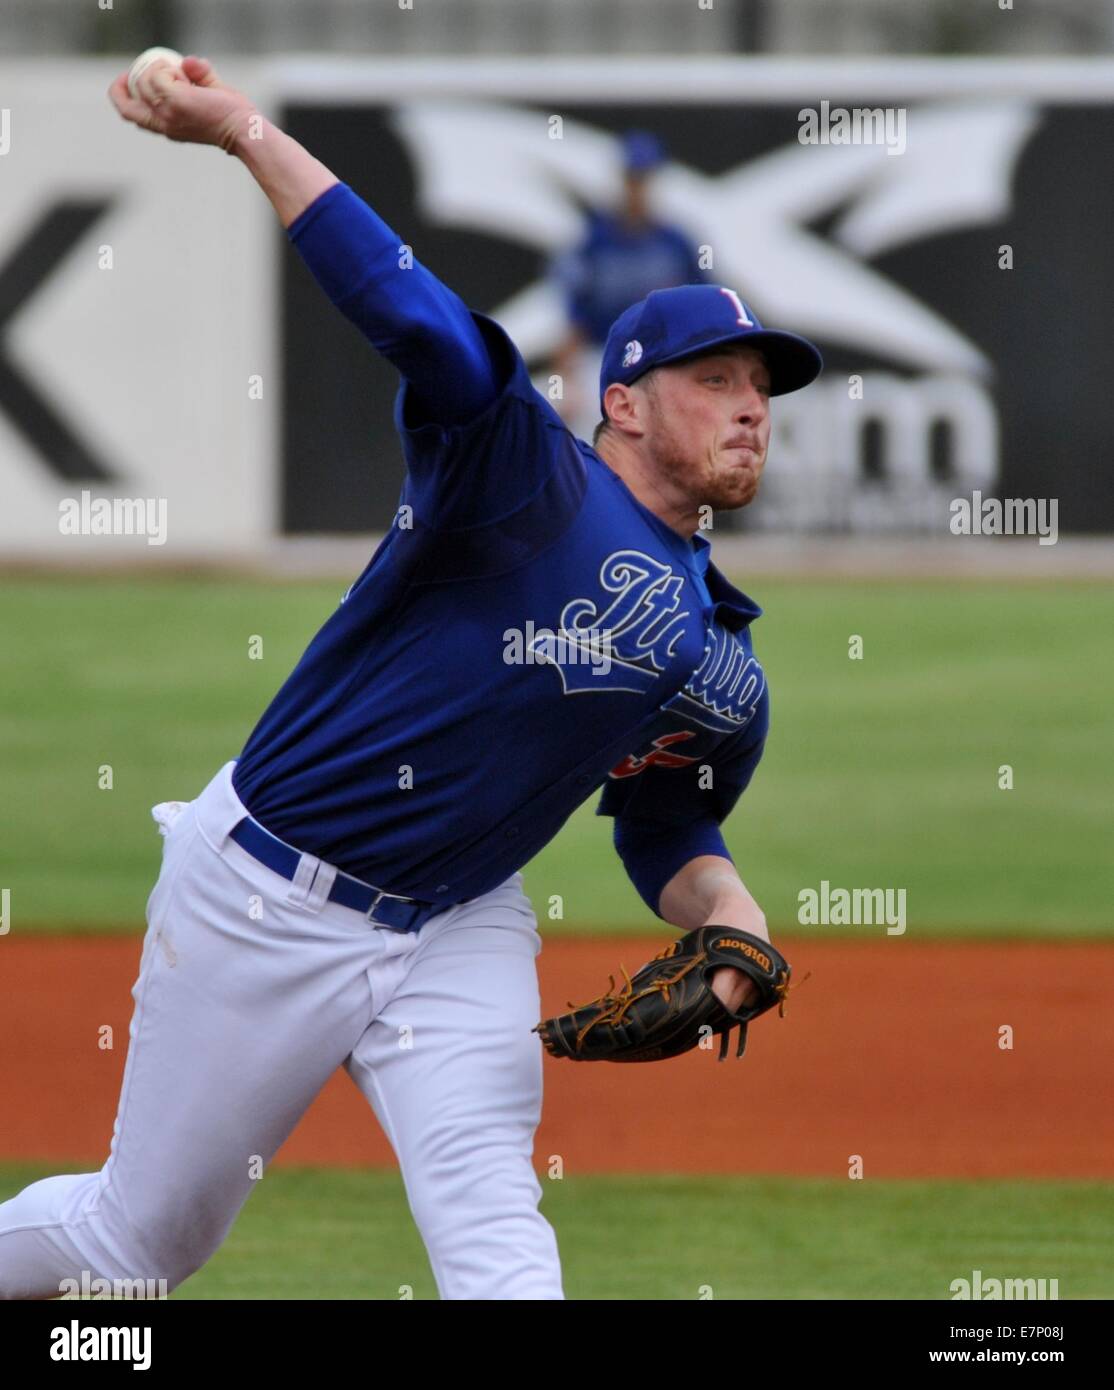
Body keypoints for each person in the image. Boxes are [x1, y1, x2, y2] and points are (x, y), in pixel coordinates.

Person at [0, 58, 821, 1302]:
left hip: (459, 922)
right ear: (623, 404)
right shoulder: (521, 473)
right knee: (137, 1251)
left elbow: (668, 824)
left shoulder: (720, 656)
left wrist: (733, 917)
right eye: (714, 380)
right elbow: (410, 308)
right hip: (265, 894)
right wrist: (239, 131)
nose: (749, 408)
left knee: (499, 1242)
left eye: (760, 389)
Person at [549, 129, 708, 433]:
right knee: (596, 443)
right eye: (633, 177)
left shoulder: (676, 243)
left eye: (645, 178)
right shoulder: (595, 242)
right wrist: (566, 379)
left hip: (661, 361)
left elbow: (701, 310)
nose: (638, 187)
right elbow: (572, 320)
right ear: (622, 180)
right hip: (602, 360)